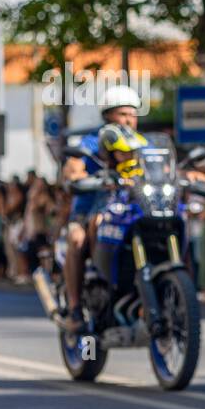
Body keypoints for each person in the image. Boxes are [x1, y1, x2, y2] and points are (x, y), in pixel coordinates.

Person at [62, 85, 144, 330]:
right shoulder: (92, 141)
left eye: (132, 114)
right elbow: (74, 165)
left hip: (133, 210)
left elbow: (161, 163)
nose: (129, 120)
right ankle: (76, 307)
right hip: (90, 209)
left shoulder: (142, 143)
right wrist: (76, 175)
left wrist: (188, 175)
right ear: (108, 116)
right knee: (77, 239)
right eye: (123, 114)